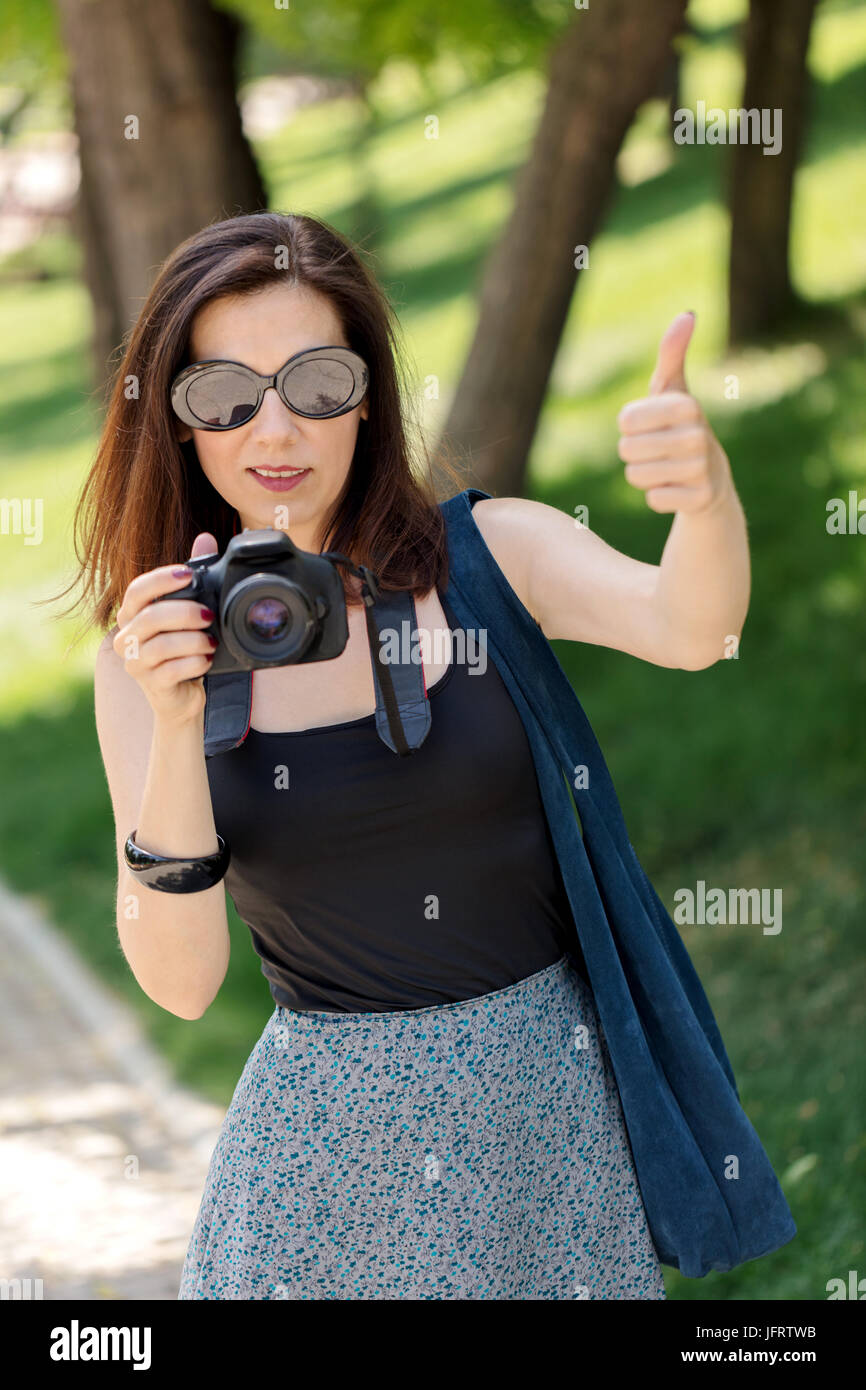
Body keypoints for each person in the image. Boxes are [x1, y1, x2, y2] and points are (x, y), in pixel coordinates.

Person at [70, 210, 765, 1299]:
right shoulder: (146, 655)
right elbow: (183, 981)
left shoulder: (489, 559)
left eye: (315, 381)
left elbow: (694, 631)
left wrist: (703, 501)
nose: (274, 430)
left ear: (367, 391)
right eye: (224, 396)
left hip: (545, 1137)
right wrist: (172, 716)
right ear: (179, 421)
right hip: (316, 1184)